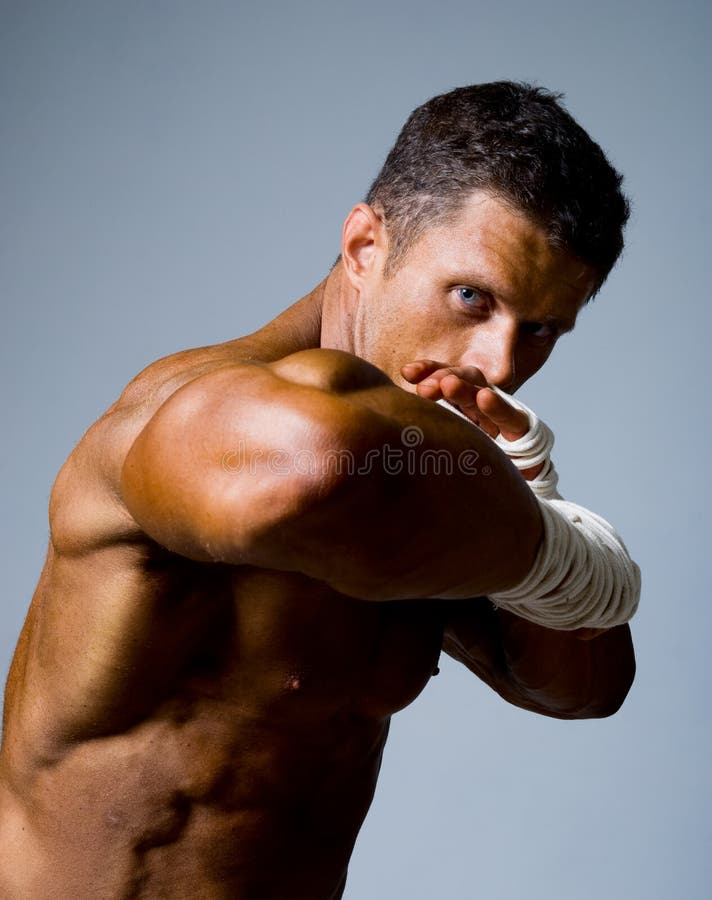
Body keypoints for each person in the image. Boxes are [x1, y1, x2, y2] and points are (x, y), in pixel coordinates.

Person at [0, 82, 638, 899]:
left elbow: (586, 685)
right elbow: (310, 473)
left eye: (540, 328)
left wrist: (531, 494)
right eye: (471, 297)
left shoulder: (436, 481)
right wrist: (552, 546)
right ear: (366, 247)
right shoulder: (185, 414)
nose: (500, 364)